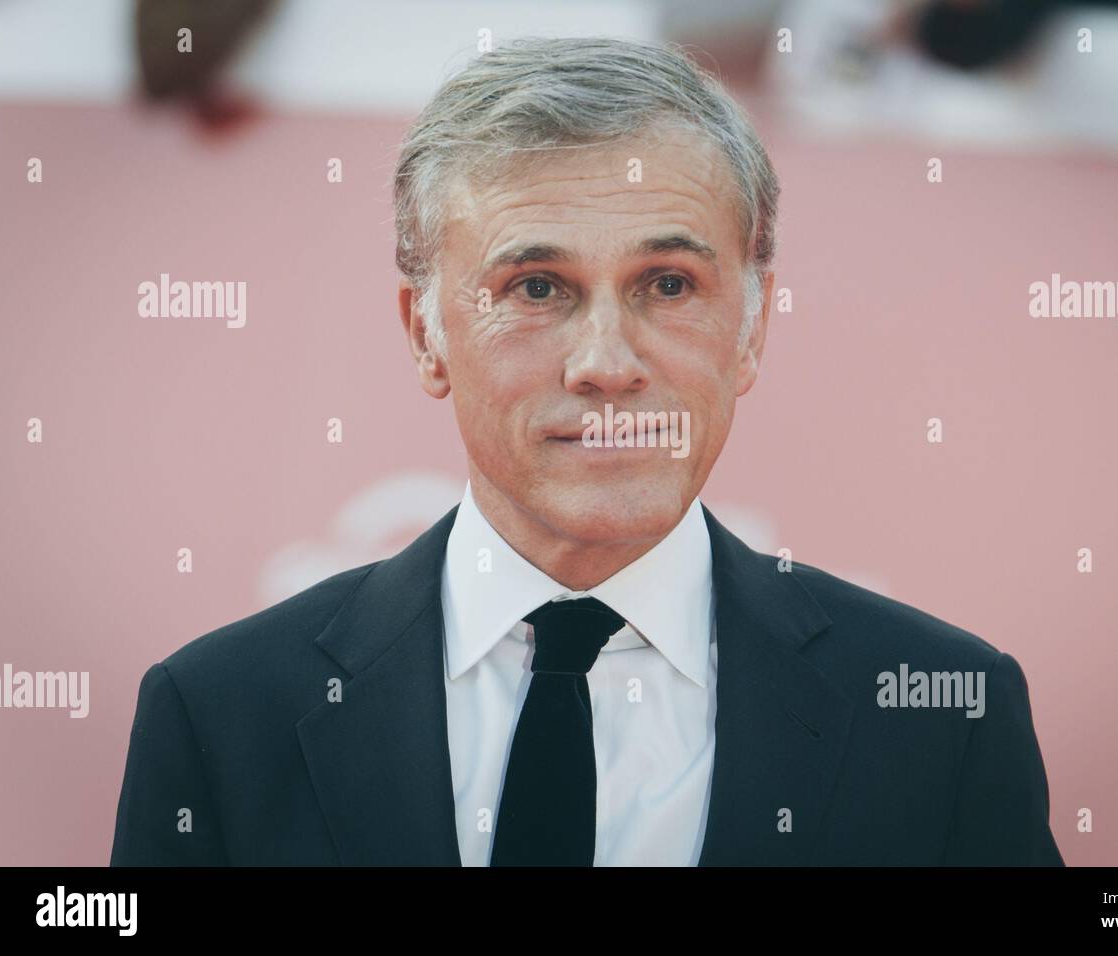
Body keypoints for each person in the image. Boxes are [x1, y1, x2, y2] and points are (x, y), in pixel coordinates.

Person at [110, 36, 1063, 866]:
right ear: (426, 334)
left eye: (668, 284)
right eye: (536, 288)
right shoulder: (219, 713)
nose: (607, 364)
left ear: (752, 330)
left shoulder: (944, 716)